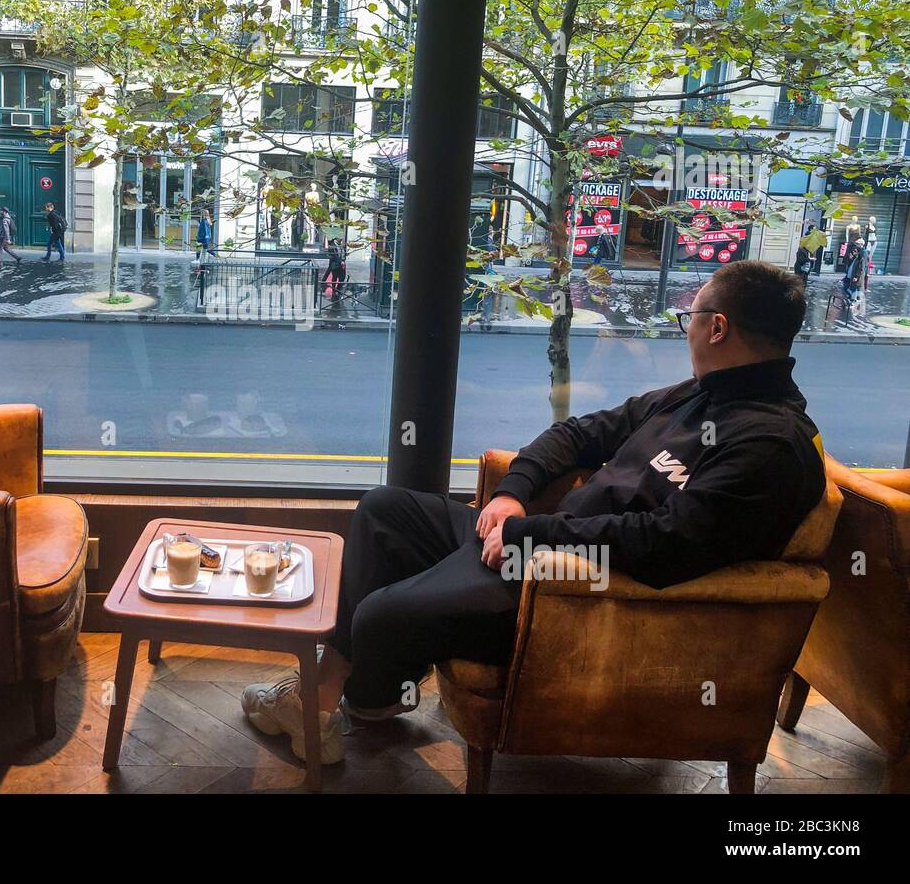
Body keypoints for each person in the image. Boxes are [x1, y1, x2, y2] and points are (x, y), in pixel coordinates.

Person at [241, 260, 826, 764]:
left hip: (570, 594)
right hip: (536, 547)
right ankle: (363, 697)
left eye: (690, 319)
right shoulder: (696, 394)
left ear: (717, 327)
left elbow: (666, 546)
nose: (686, 332)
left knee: (377, 614)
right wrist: (511, 493)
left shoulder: (768, 446)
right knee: (384, 510)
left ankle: (325, 700)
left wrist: (528, 537)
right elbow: (578, 433)